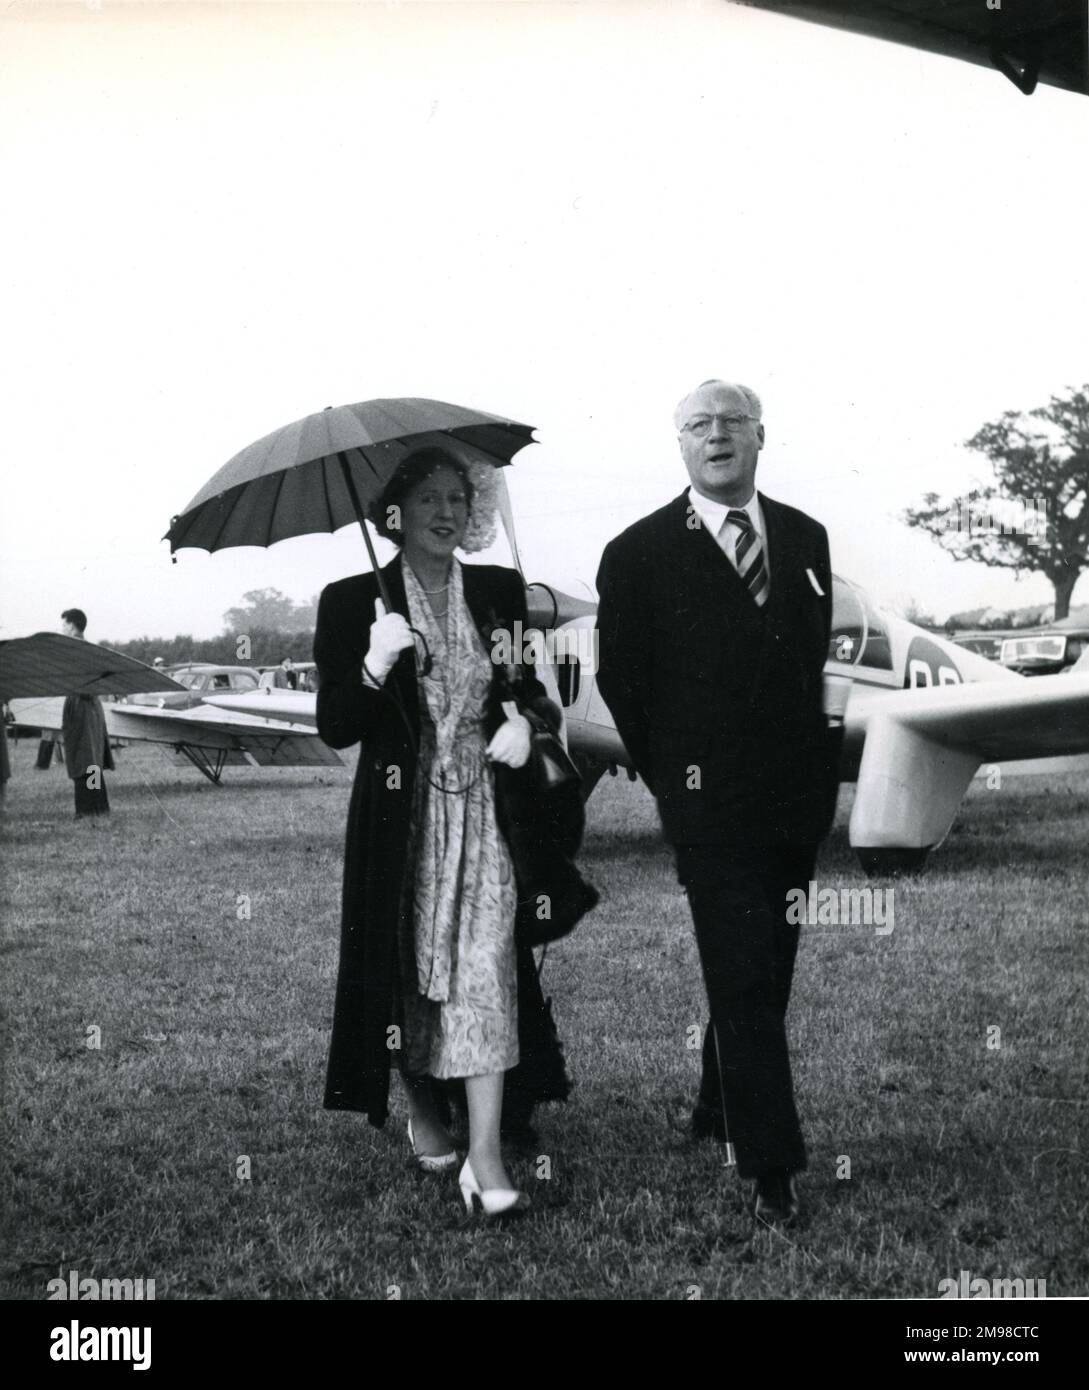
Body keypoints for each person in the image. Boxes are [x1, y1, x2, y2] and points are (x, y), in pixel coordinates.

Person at [595, 380, 838, 1226]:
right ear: (681, 447)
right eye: (699, 425)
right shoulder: (637, 553)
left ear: (761, 436)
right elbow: (620, 680)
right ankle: (771, 1168)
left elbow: (808, 664)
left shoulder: (806, 538)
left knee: (766, 968)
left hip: (794, 804)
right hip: (707, 808)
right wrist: (676, 775)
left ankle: (713, 1101)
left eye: (732, 422)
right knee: (740, 973)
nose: (717, 435)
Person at [314, 446, 570, 1220]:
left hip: (489, 812)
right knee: (409, 972)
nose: (444, 511)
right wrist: (369, 662)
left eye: (457, 496)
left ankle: (485, 1159)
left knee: (484, 968)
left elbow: (534, 692)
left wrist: (526, 722)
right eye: (426, 497)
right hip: (402, 820)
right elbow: (336, 727)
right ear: (390, 512)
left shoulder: (497, 593)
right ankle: (424, 1105)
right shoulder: (353, 597)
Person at [59, 608, 115, 818]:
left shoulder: (80, 649)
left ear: (73, 626)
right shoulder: (81, 648)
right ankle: (95, 806)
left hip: (84, 705)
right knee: (86, 757)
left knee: (87, 759)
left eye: (64, 625)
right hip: (83, 705)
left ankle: (89, 807)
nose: (62, 629)